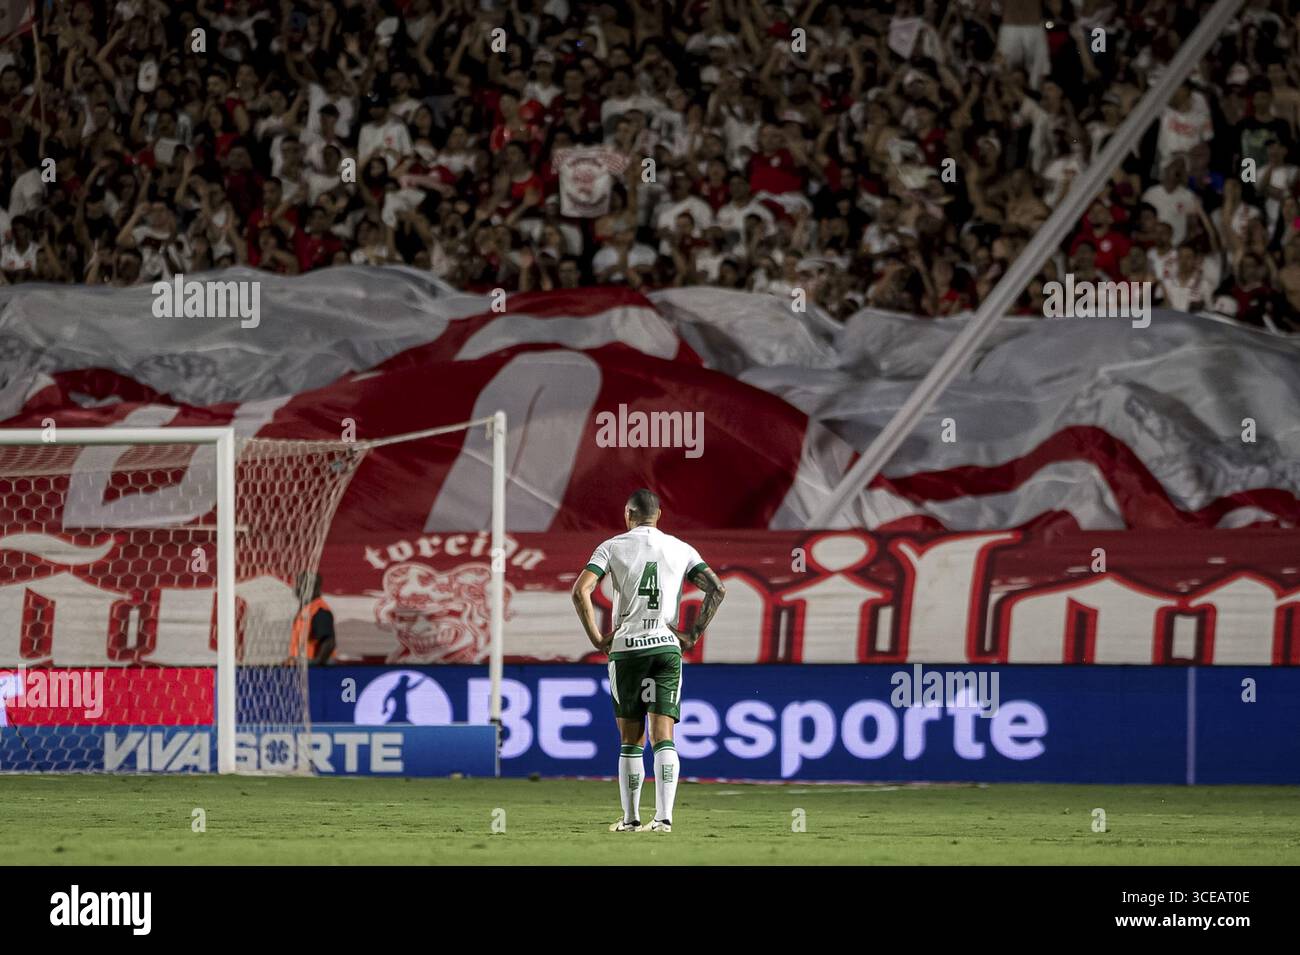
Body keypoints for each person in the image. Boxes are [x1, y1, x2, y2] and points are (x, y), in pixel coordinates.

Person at [570, 488, 725, 833]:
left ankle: (630, 819)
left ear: (628, 514)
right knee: (664, 736)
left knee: (631, 740)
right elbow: (717, 588)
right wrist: (692, 635)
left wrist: (597, 638)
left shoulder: (611, 547)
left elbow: (581, 590)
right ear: (659, 515)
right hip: (666, 647)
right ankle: (665, 819)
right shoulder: (681, 548)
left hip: (627, 648)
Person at [289, 573, 336, 665]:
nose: (296, 589)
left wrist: (316, 664)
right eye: (297, 585)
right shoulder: (307, 609)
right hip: (304, 662)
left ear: (313, 587)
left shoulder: (319, 610)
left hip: (313, 664)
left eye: (300, 585)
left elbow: (328, 641)